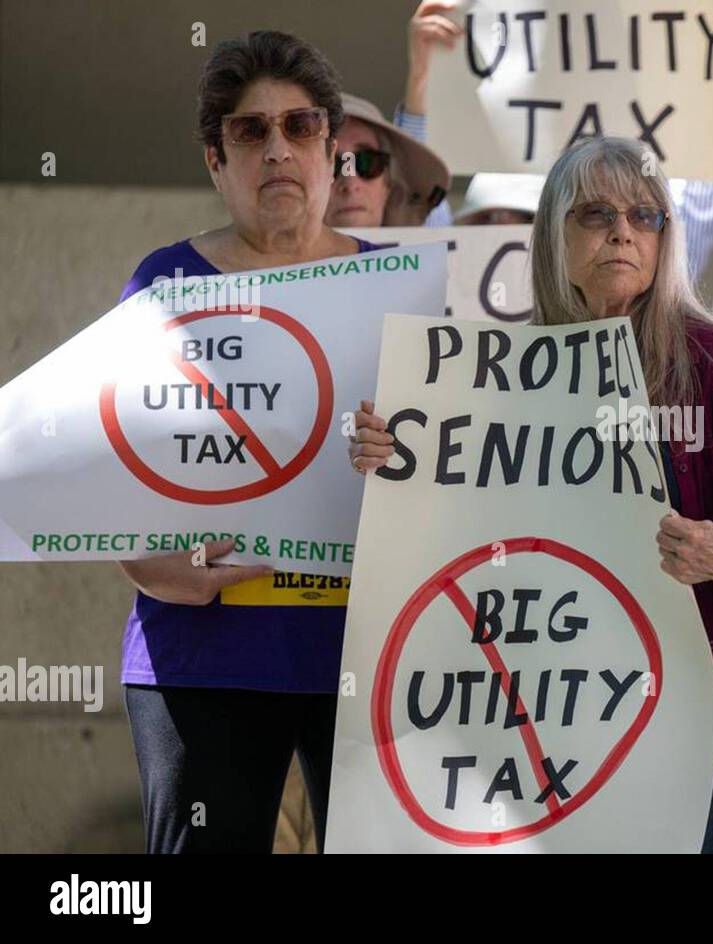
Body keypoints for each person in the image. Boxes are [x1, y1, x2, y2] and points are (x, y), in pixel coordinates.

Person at [349, 135, 713, 852]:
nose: (622, 230)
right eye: (595, 213)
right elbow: (450, 536)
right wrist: (392, 458)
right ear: (552, 234)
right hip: (528, 720)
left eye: (645, 215)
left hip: (676, 727)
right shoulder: (497, 368)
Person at [115, 31, 388, 854]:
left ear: (333, 151)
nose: (278, 148)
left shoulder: (398, 293)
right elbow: (114, 470)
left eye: (301, 127)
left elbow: (444, 480)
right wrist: (145, 563)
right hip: (204, 654)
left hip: (366, 658)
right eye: (249, 130)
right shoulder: (161, 287)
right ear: (214, 158)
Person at [395, 1, 713, 282]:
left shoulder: (626, 287)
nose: (499, 232)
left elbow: (709, 180)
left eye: (523, 218)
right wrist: (422, 79)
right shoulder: (444, 287)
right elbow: (416, 202)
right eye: (483, 220)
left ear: (561, 229)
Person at [324, 91, 450, 228]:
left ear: (388, 184)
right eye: (331, 165)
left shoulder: (429, 244)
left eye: (368, 162)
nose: (350, 184)